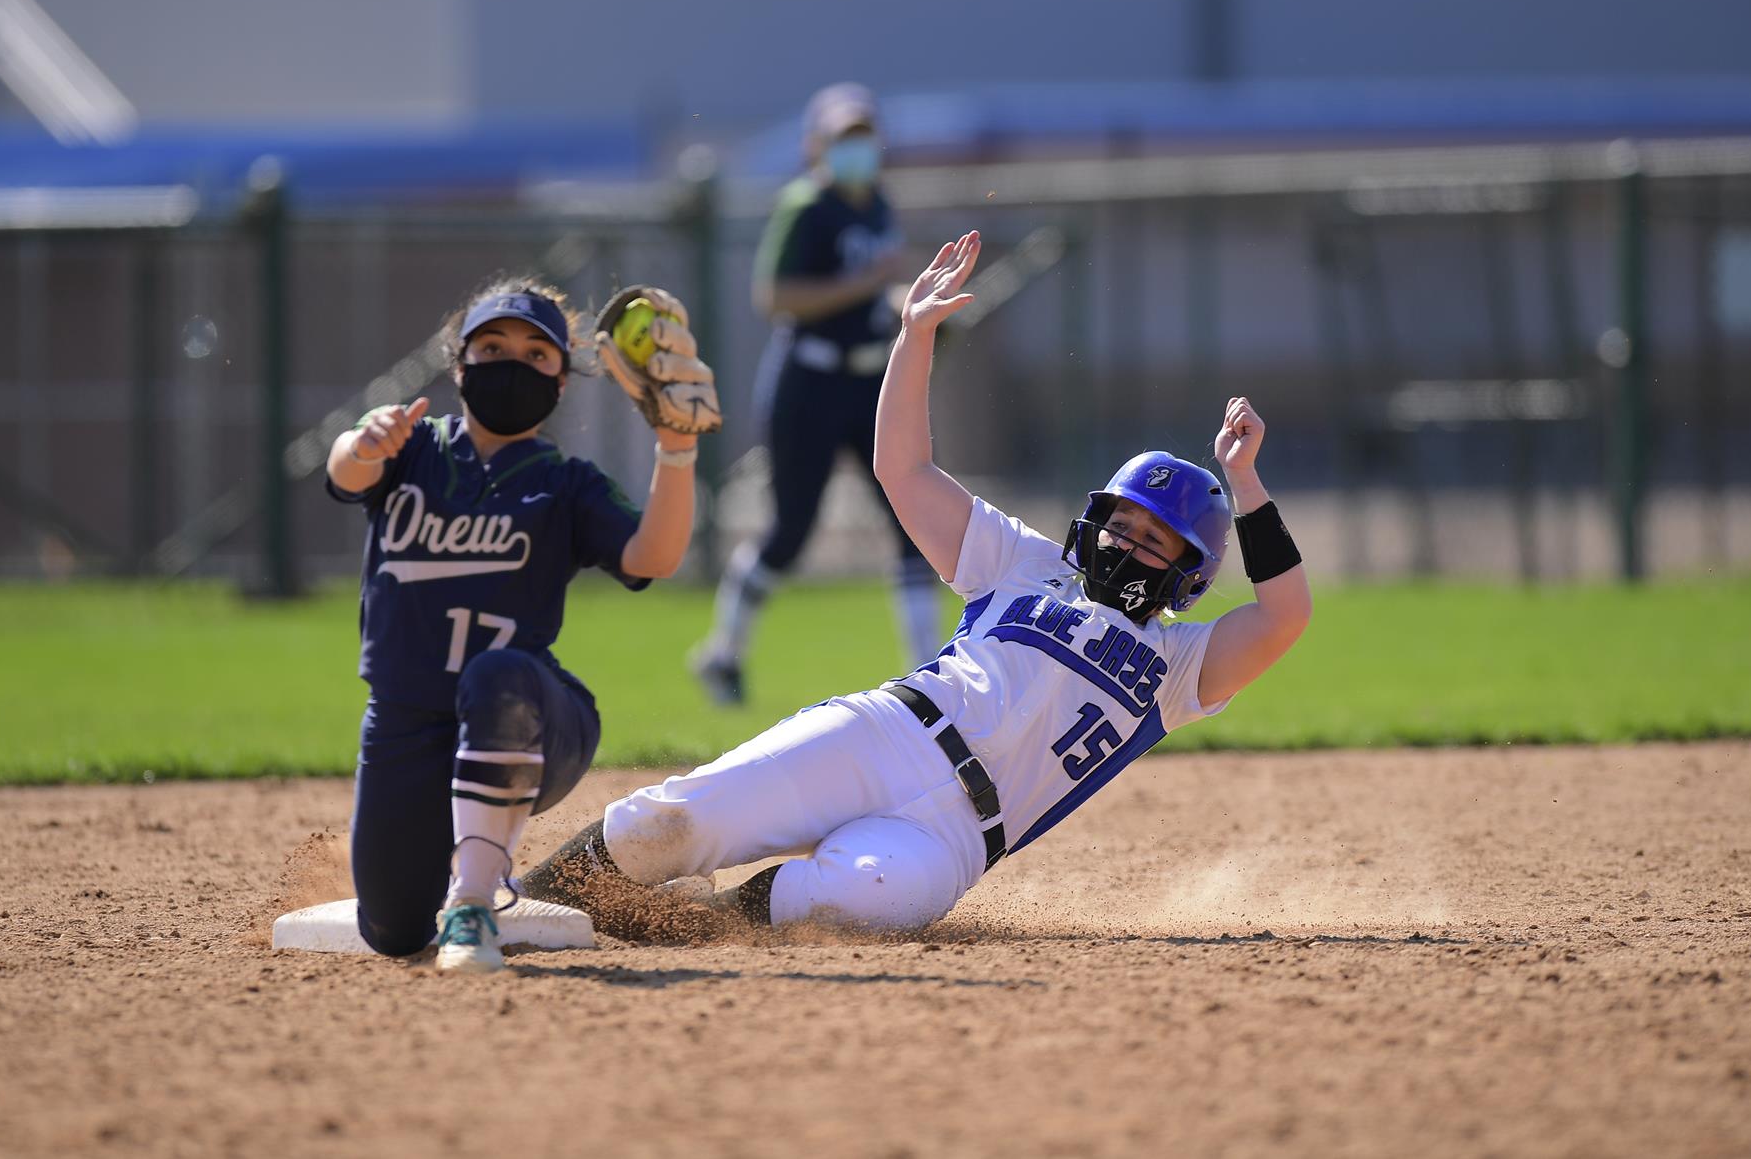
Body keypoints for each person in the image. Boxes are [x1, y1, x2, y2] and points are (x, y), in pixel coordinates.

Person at [498, 231, 1312, 955]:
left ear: (1189, 569)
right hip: (889, 734)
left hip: (954, 836)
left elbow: (1285, 616)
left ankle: (693, 920)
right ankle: (515, 904)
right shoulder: (1022, 564)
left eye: (1153, 537)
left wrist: (1245, 484)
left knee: (871, 895)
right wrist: (915, 335)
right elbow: (903, 469)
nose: (1123, 542)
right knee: (664, 824)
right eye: (1119, 521)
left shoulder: (1179, 665)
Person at [323, 276, 719, 973]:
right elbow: (346, 471)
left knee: (497, 671)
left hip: (533, 717)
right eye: (493, 345)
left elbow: (653, 554)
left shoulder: (564, 482)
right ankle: (449, 878)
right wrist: (365, 441)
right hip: (405, 723)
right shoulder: (410, 449)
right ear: (458, 366)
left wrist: (676, 448)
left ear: (561, 380)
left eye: (537, 353)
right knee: (391, 929)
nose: (513, 361)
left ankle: (474, 899)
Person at [690, 82, 936, 705]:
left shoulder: (878, 202)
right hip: (809, 380)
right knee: (792, 529)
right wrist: (868, 283)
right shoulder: (806, 204)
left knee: (912, 516)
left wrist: (910, 308)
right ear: (816, 145)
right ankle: (724, 650)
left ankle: (930, 675)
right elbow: (777, 297)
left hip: (868, 376)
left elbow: (872, 289)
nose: (858, 149)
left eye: (865, 135)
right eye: (843, 137)